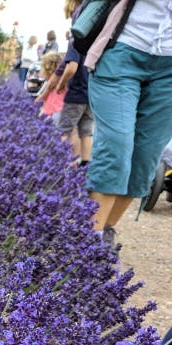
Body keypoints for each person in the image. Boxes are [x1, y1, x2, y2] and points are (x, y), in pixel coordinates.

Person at [84, 0, 172, 247]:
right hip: (123, 49)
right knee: (116, 144)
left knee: (147, 156)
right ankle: (89, 240)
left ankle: (107, 230)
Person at [56, 39, 93, 166]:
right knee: (86, 131)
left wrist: (61, 83)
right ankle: (84, 165)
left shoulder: (76, 42)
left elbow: (72, 68)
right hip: (91, 95)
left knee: (64, 130)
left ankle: (56, 164)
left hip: (76, 94)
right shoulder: (97, 41)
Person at [37, 52, 66, 125]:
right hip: (61, 112)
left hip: (54, 113)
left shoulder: (52, 82)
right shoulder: (63, 80)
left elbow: (48, 103)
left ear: (48, 69)